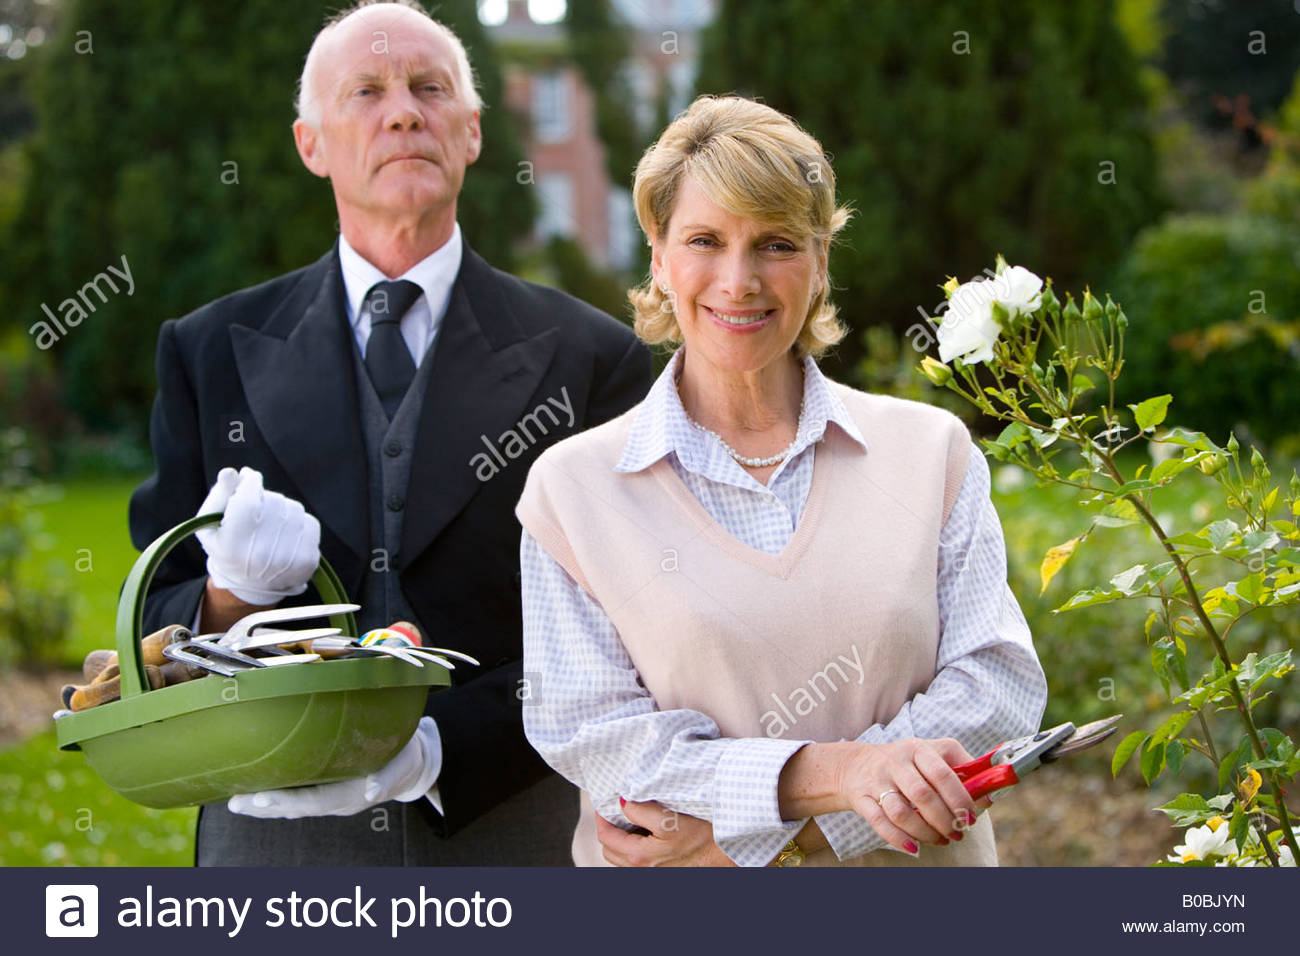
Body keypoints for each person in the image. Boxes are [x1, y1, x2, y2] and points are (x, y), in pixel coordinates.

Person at [127, 0, 651, 866]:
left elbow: (630, 628)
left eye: (429, 88)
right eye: (365, 91)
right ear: (311, 145)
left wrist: (442, 749)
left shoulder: (594, 358)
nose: (403, 110)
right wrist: (231, 596)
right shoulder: (206, 350)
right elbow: (157, 608)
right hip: (275, 835)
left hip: (518, 821)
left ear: (473, 132)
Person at [515, 95, 1048, 867]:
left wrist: (774, 834)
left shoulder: (931, 452)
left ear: (821, 260)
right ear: (659, 258)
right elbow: (601, 741)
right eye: (705, 241)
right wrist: (840, 774)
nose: (739, 281)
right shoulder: (573, 491)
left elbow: (997, 691)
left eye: (775, 244)